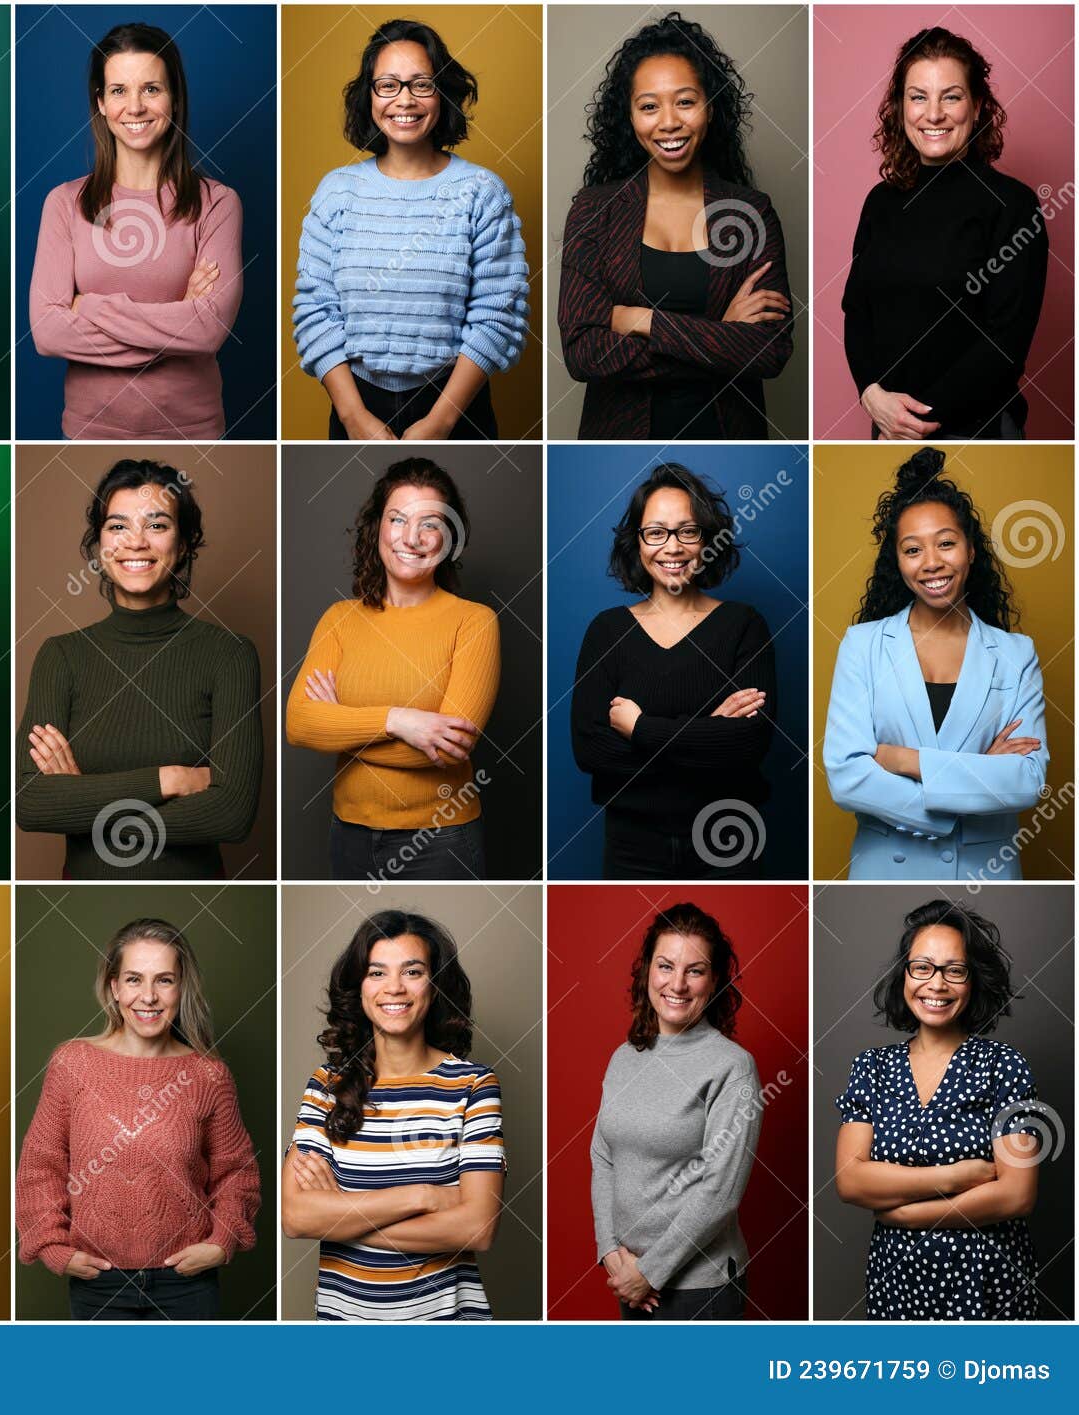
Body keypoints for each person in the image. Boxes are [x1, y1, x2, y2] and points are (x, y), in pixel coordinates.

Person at [15, 459, 262, 879]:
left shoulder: (229, 654)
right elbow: (31, 804)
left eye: (157, 525)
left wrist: (81, 800)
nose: (136, 542)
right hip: (85, 899)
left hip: (194, 897)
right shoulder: (61, 656)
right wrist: (170, 780)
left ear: (183, 544)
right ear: (99, 546)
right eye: (118, 526)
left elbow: (232, 814)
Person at [558, 11, 793, 440]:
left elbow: (769, 349)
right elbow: (583, 354)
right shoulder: (595, 211)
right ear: (629, 116)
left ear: (711, 106)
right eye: (649, 106)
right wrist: (721, 336)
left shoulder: (751, 213)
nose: (668, 122)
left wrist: (642, 320)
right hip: (620, 444)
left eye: (685, 101)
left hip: (728, 441)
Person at [294, 18, 529, 440]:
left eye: (422, 84)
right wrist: (353, 417)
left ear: (443, 93)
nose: (405, 99)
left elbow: (498, 314)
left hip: (457, 407)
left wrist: (441, 422)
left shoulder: (483, 192)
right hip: (355, 405)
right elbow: (315, 312)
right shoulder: (336, 192)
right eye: (388, 85)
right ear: (369, 96)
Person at [16, 918, 261, 1319]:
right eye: (134, 979)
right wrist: (51, 1245)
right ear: (114, 987)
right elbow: (40, 1165)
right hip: (97, 1285)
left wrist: (221, 1241)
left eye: (164, 980)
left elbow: (237, 1173)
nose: (148, 996)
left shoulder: (208, 1075)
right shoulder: (72, 1064)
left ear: (181, 988)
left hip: (187, 1285)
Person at [824, 449, 1048, 880]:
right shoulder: (862, 645)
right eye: (913, 549)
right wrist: (978, 773)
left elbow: (1026, 781)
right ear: (898, 561)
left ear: (971, 550)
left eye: (946, 543)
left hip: (986, 873)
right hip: (885, 872)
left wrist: (904, 760)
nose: (931, 563)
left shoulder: (1016, 654)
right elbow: (847, 777)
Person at [283, 910, 504, 1320]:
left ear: (435, 985)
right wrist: (423, 1197)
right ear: (359, 987)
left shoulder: (474, 1085)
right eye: (377, 973)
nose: (395, 988)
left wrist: (342, 1213)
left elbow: (477, 1229)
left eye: (413, 972)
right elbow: (296, 1217)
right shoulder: (326, 1085)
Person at [286, 459, 499, 880]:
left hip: (441, 839)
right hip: (348, 834)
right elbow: (299, 724)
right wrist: (400, 721)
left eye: (429, 524)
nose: (411, 538)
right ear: (377, 528)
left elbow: (449, 748)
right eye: (398, 519)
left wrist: (340, 724)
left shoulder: (474, 621)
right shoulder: (339, 619)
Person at [29, 23, 242, 439]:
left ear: (175, 98)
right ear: (101, 103)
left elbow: (208, 331)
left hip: (191, 432)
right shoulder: (63, 203)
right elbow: (48, 334)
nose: (135, 107)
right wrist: (176, 320)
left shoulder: (218, 203)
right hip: (90, 431)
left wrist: (88, 307)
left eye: (151, 89)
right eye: (118, 91)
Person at [834, 899, 1042, 1320]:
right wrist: (955, 1176)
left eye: (954, 970)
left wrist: (913, 1216)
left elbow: (1016, 1194)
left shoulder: (1004, 1065)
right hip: (897, 1286)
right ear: (904, 975)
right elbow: (851, 1181)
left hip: (988, 1284)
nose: (937, 984)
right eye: (922, 967)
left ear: (973, 980)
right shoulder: (871, 1068)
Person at [569, 462, 773, 878]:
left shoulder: (744, 625)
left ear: (707, 539)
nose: (673, 547)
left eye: (687, 531)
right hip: (631, 844)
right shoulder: (607, 631)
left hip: (728, 836)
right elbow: (590, 750)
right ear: (637, 541)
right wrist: (708, 732)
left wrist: (640, 728)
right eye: (656, 532)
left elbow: (748, 744)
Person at [842, 28, 1047, 440]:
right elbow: (857, 312)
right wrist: (871, 395)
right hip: (888, 427)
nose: (933, 114)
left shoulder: (1013, 205)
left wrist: (912, 421)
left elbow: (1005, 344)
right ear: (901, 107)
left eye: (951, 97)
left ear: (977, 106)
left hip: (977, 432)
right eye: (918, 97)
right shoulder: (880, 202)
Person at [590, 901, 760, 1320]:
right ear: (647, 970)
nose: (677, 984)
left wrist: (651, 1271)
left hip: (701, 1288)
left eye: (695, 971)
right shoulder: (623, 1057)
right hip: (629, 1276)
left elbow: (720, 1192)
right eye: (665, 966)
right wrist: (609, 1249)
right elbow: (603, 1156)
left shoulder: (732, 1066)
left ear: (714, 980)